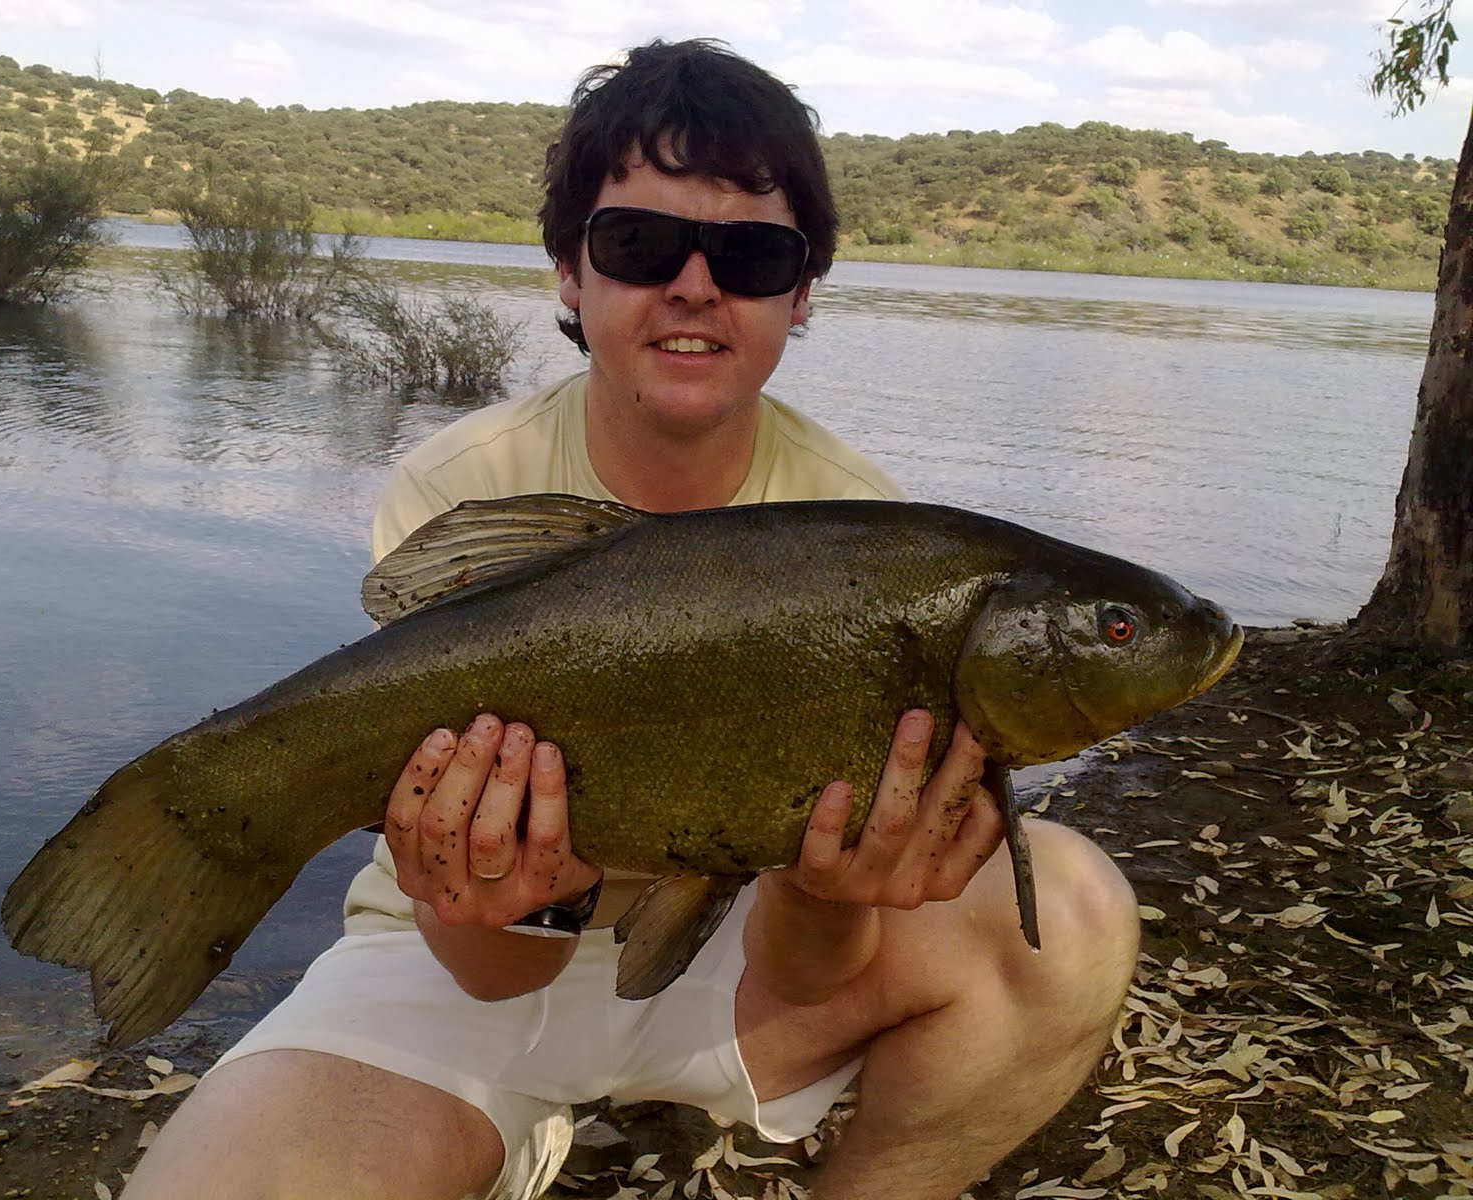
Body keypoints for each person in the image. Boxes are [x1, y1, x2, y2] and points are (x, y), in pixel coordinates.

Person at [126, 38, 1139, 1200]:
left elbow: (811, 975)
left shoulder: (864, 526)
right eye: (641, 245)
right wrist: (488, 889)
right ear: (570, 271)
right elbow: (490, 970)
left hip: (734, 954)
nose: (695, 287)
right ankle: (509, 1118)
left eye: (752, 255)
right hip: (455, 968)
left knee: (1069, 909)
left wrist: (828, 886)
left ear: (800, 293)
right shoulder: (462, 487)